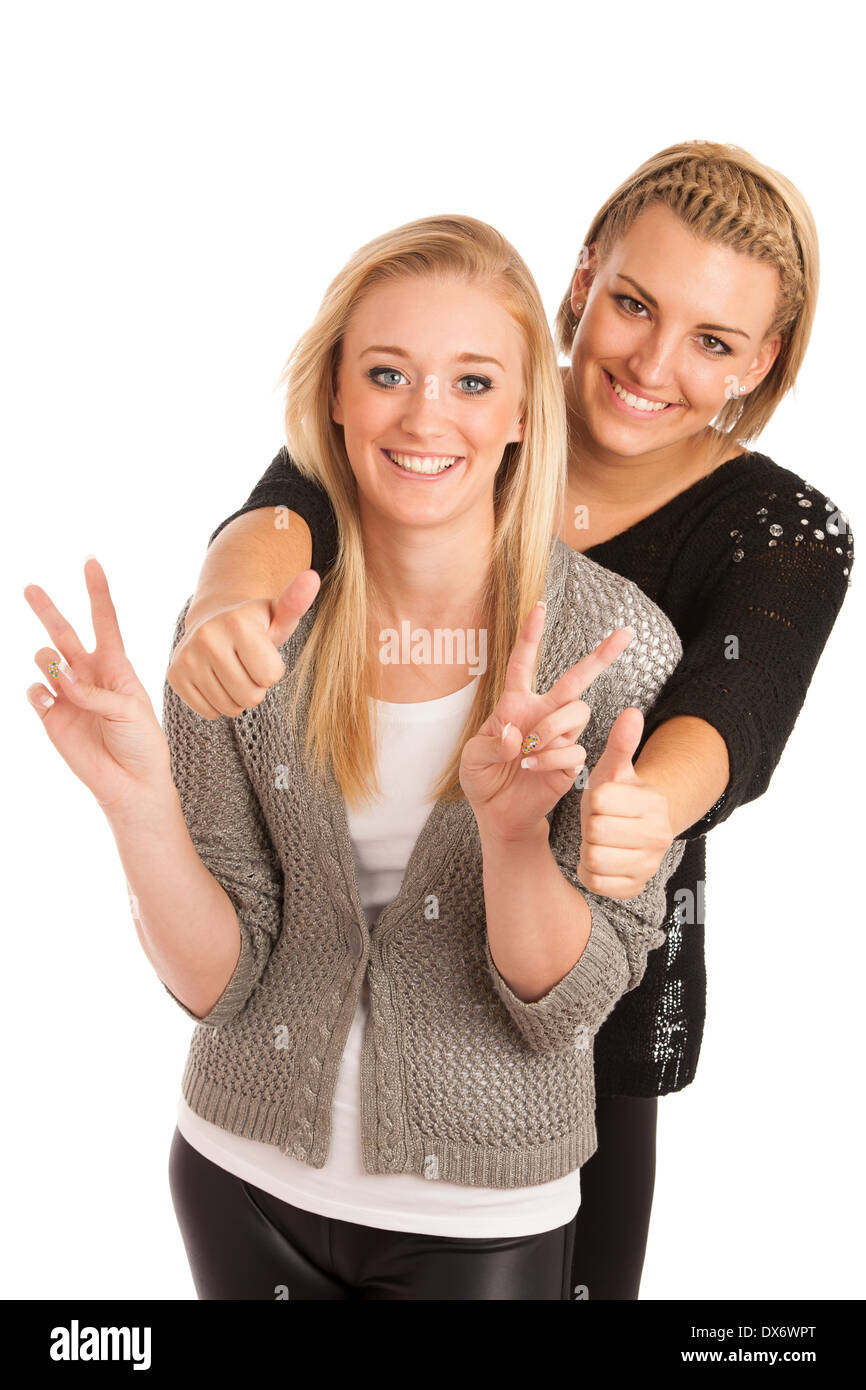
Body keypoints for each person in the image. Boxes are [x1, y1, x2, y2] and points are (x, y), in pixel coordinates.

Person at [167, 142, 855, 1299]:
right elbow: (287, 505)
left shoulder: (778, 527)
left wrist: (640, 808)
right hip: (336, 1032)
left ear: (765, 359)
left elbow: (734, 710)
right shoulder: (443, 403)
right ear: (580, 280)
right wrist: (227, 601)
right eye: (632, 303)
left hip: (591, 979)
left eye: (714, 340)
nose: (650, 362)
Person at [24, 214, 687, 1300]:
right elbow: (221, 982)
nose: (425, 415)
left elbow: (563, 1007)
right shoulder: (244, 631)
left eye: (473, 382)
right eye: (387, 372)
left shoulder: (617, 648)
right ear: (333, 394)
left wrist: (515, 834)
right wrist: (137, 802)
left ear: (527, 409)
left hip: (480, 1219)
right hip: (236, 1175)